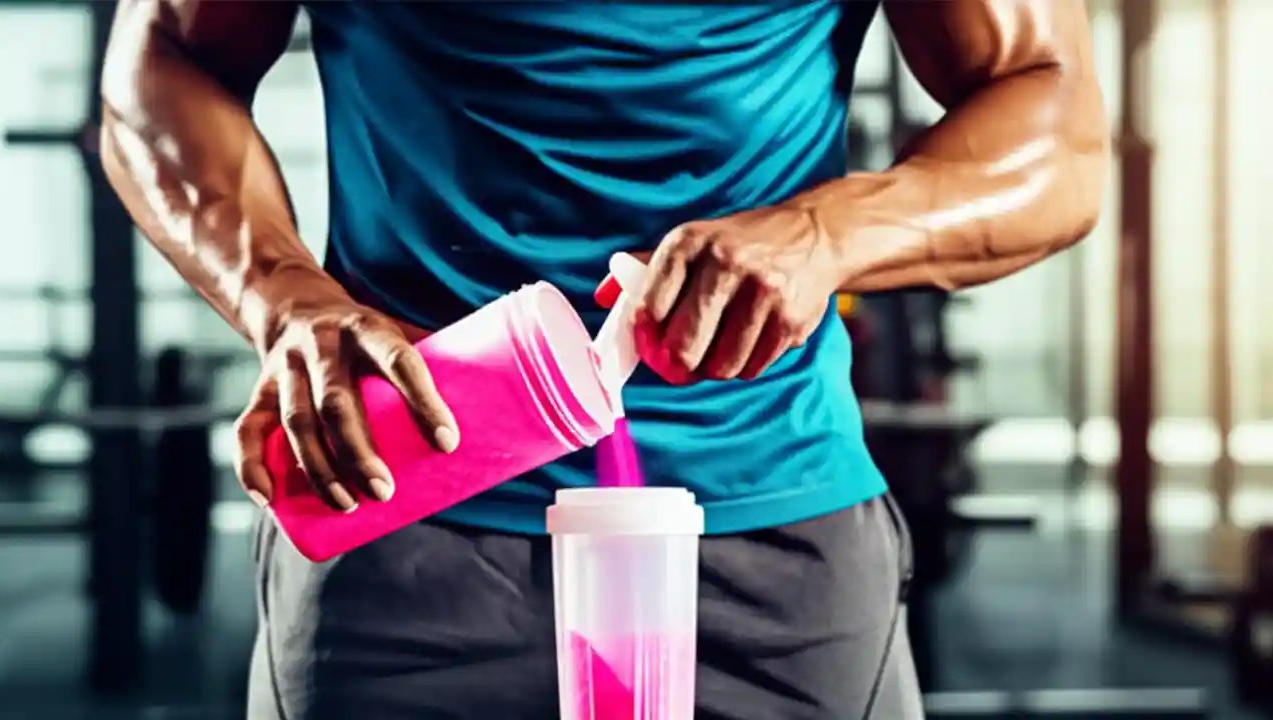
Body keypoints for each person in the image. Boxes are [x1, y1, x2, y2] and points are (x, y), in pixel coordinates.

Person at [99, 1, 1107, 717]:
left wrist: (823, 233)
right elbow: (165, 60)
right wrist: (285, 298)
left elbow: (1052, 123)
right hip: (401, 504)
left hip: (766, 525)